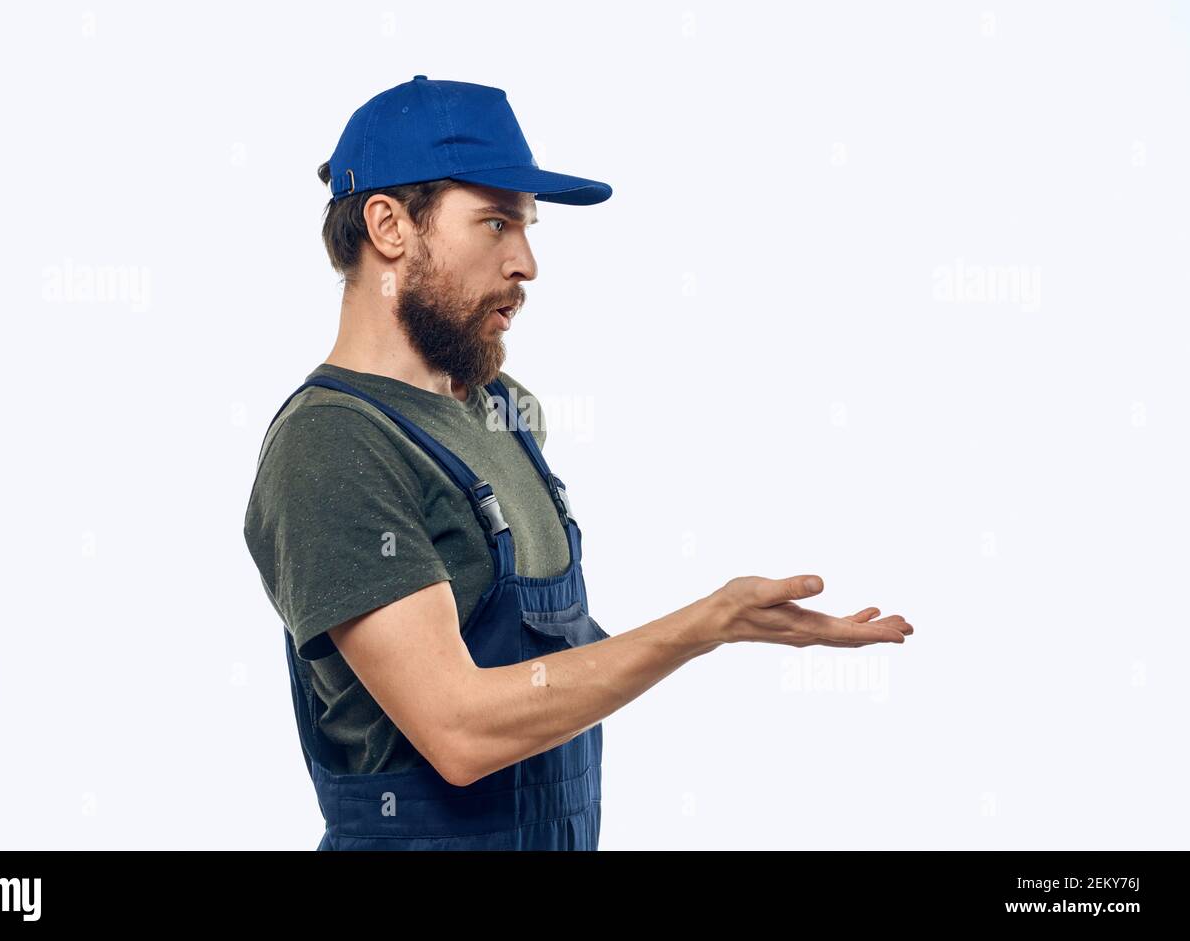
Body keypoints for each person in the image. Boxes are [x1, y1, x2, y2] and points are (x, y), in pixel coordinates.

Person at [242, 75, 913, 850]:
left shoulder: (503, 409)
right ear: (389, 225)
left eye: (528, 227)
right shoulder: (333, 447)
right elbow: (459, 728)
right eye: (495, 222)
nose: (527, 263)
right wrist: (706, 624)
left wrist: (735, 624)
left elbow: (555, 667)